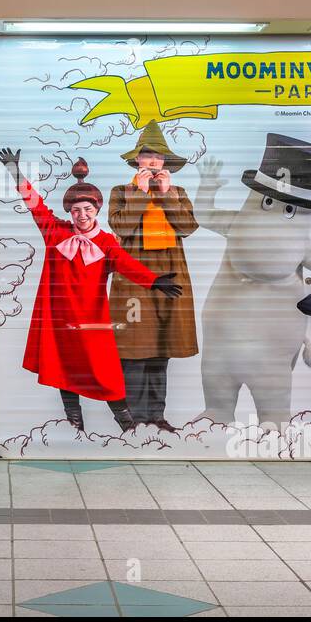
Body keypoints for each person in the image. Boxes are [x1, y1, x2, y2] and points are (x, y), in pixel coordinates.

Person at [0, 148, 183, 432]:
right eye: (76, 210)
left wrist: (154, 280)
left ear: (96, 211)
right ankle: (75, 425)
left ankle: (127, 425)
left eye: (87, 210)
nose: (82, 215)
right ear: (69, 212)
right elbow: (35, 205)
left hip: (92, 321)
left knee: (106, 372)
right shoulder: (55, 232)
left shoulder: (107, 241)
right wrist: (16, 173)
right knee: (64, 371)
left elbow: (127, 264)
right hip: (60, 321)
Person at [107, 121, 198, 430]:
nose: (152, 161)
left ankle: (156, 417)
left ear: (165, 163)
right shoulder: (121, 192)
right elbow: (121, 228)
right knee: (133, 349)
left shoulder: (178, 192)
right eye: (147, 156)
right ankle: (131, 420)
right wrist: (141, 194)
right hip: (134, 278)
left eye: (158, 157)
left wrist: (167, 194)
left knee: (162, 349)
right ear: (137, 161)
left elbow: (187, 228)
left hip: (171, 277)